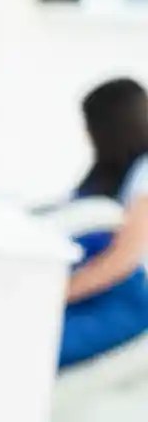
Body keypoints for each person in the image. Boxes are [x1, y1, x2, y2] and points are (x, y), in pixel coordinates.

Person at [60, 77, 148, 367]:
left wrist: (59, 292)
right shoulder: (109, 173)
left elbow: (124, 258)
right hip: (100, 287)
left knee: (40, 341)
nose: (86, 135)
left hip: (124, 297)